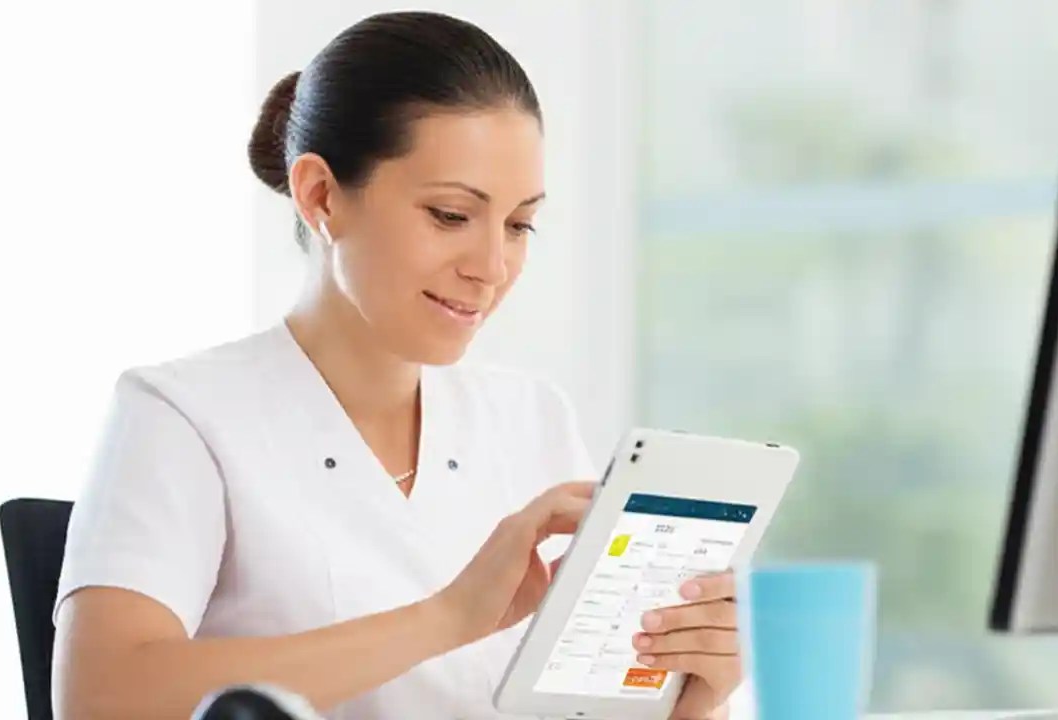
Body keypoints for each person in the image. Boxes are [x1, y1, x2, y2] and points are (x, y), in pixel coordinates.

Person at [52, 11, 743, 720]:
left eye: (518, 224)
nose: (492, 267)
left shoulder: (530, 419)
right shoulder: (184, 413)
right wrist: (448, 617)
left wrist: (693, 699)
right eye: (451, 215)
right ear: (321, 196)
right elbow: (100, 698)